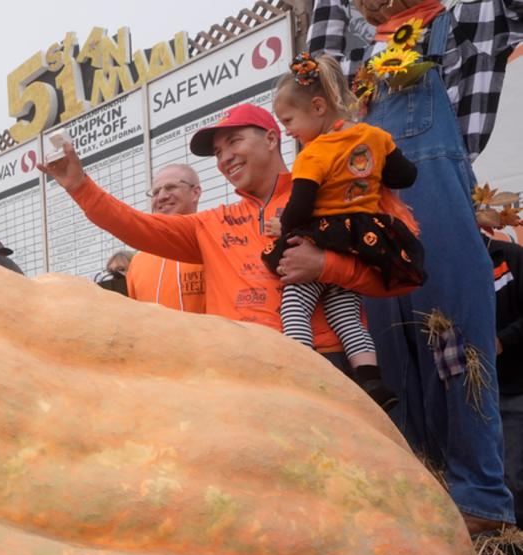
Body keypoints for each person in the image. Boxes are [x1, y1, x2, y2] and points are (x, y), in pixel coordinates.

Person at [310, 0, 521, 532]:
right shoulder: (354, 52)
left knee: (454, 338)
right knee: (391, 345)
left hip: (436, 186)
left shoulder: (467, 25)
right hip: (369, 202)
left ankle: (479, 496)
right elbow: (319, 52)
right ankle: (419, 491)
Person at [38, 102, 418, 372]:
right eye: (218, 152)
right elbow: (134, 224)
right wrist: (79, 186)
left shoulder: (331, 197)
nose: (224, 158)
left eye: (234, 142)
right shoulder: (211, 223)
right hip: (236, 372)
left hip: (323, 365)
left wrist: (326, 265)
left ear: (271, 138)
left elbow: (402, 277)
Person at [262, 53, 424, 409]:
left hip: (322, 236)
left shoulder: (314, 153)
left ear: (317, 106)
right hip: (363, 241)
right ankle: (371, 381)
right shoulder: (375, 136)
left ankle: (305, 374)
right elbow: (405, 176)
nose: (288, 130)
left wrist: (282, 227)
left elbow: (302, 205)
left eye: (288, 120)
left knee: (294, 307)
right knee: (346, 313)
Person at [125, 164, 206, 313]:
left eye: (171, 187)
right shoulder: (138, 260)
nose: (162, 197)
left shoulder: (215, 242)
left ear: (195, 193)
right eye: (155, 192)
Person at [487, 236, 523, 526]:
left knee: (512, 475)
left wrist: (503, 340)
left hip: (515, 385)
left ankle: (515, 544)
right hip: (478, 391)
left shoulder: (512, 257)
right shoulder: (449, 269)